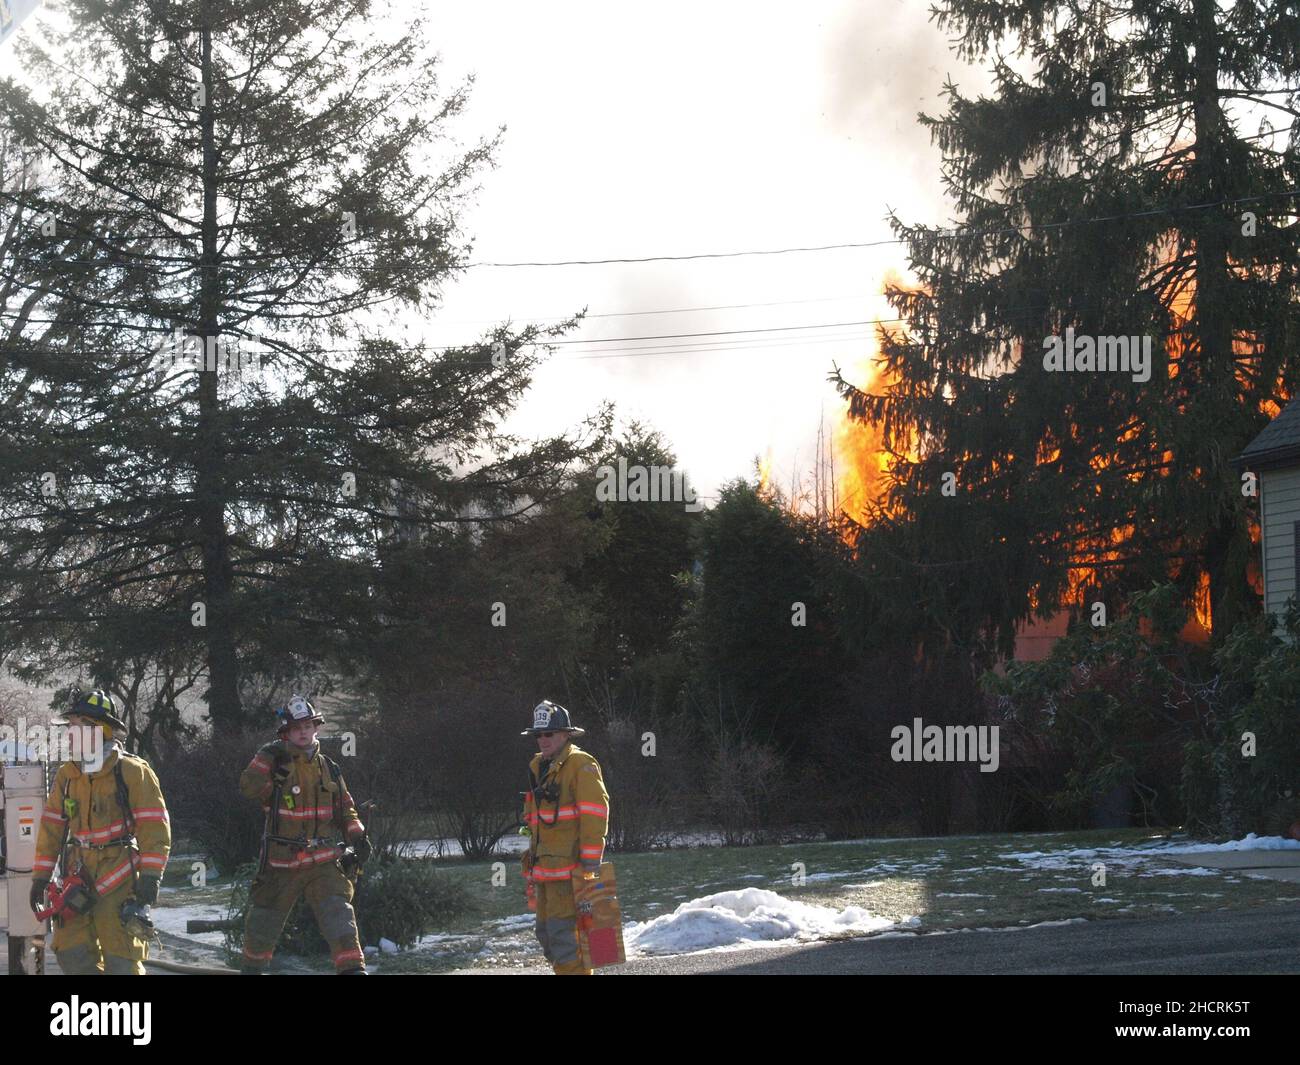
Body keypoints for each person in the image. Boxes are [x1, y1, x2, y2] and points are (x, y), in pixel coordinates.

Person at [30, 689, 171, 975]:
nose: (69, 734)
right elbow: (51, 828)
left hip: (118, 877)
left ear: (98, 729)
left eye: (75, 726)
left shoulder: (132, 771)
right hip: (76, 878)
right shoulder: (68, 775)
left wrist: (152, 878)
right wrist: (41, 876)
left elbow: (153, 827)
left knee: (122, 960)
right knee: (70, 951)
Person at [238, 694, 370, 974]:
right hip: (281, 863)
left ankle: (353, 970)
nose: (303, 732)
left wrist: (357, 836)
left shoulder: (329, 768)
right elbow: (248, 788)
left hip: (323, 861)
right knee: (263, 923)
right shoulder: (273, 760)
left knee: (340, 916)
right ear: (286, 732)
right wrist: (269, 760)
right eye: (296, 728)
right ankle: (253, 970)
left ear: (316, 728)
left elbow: (346, 810)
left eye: (308, 725)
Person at [520, 700, 609, 975]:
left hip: (571, 872)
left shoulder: (580, 765)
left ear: (566, 734)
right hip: (545, 871)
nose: (543, 740)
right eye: (539, 734)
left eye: (549, 734)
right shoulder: (539, 766)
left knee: (565, 940)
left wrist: (590, 867)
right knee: (547, 936)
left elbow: (595, 814)